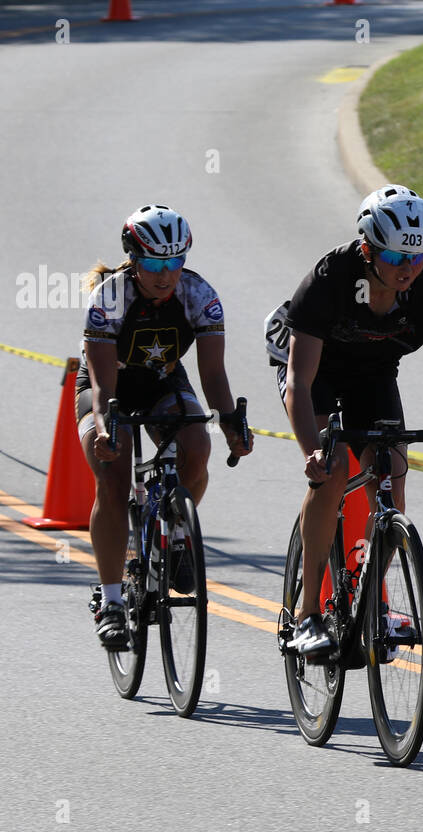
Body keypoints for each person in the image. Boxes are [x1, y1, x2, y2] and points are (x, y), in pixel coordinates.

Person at [266, 184, 423, 658]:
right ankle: (307, 614)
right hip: (315, 373)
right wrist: (312, 453)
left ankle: (370, 604)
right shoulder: (329, 279)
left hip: (374, 374)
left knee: (392, 485)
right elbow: (298, 384)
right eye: (395, 256)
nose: (408, 268)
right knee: (333, 473)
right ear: (367, 249)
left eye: (418, 256)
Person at [81, 204, 252, 650]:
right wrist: (104, 428)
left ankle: (176, 533)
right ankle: (113, 601)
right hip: (108, 388)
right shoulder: (110, 298)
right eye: (154, 264)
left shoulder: (199, 295)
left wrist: (231, 420)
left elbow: (213, 376)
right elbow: (101, 383)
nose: (165, 274)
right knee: (114, 479)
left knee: (197, 444)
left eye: (174, 262)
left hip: (161, 380)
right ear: (134, 259)